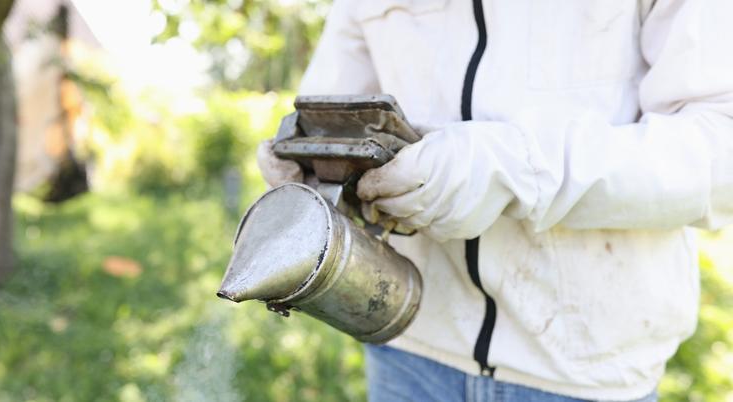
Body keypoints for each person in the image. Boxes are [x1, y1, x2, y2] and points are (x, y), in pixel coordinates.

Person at [257, 1, 733, 401]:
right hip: (406, 341)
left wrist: (514, 167)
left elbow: (719, 146)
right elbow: (330, 101)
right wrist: (308, 157)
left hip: (583, 368)